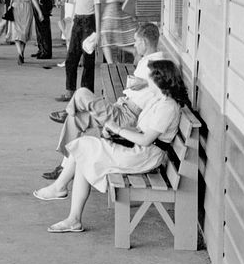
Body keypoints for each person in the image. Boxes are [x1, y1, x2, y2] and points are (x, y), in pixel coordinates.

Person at [33, 60, 190, 233]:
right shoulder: (159, 100)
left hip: (143, 156)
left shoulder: (167, 107)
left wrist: (118, 129)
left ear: (159, 80)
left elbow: (146, 140)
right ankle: (72, 216)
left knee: (84, 146)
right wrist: (115, 135)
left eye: (150, 77)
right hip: (137, 150)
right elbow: (141, 130)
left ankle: (61, 191)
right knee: (84, 153)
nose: (148, 80)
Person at [41, 23, 165, 180]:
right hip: (121, 107)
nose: (134, 45)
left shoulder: (157, 66)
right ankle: (64, 168)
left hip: (125, 116)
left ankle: (68, 111)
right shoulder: (149, 60)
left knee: (82, 93)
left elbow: (164, 89)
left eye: (136, 41)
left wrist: (146, 83)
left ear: (144, 43)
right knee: (75, 120)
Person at [59, 0, 101, 101]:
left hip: (89, 23)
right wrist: (70, 25)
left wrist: (98, 33)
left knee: (88, 61)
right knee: (71, 58)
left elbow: (98, 11)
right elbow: (75, 7)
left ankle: (86, 93)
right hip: (77, 21)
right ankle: (70, 90)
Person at [101, 0, 136, 65]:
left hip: (111, 11)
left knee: (106, 39)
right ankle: (132, 51)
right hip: (123, 11)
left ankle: (110, 63)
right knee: (119, 39)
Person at [7, 0, 41, 65]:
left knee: (17, 32)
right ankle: (22, 53)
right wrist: (40, 13)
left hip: (16, 6)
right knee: (24, 32)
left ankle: (20, 53)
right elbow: (34, 0)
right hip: (27, 7)